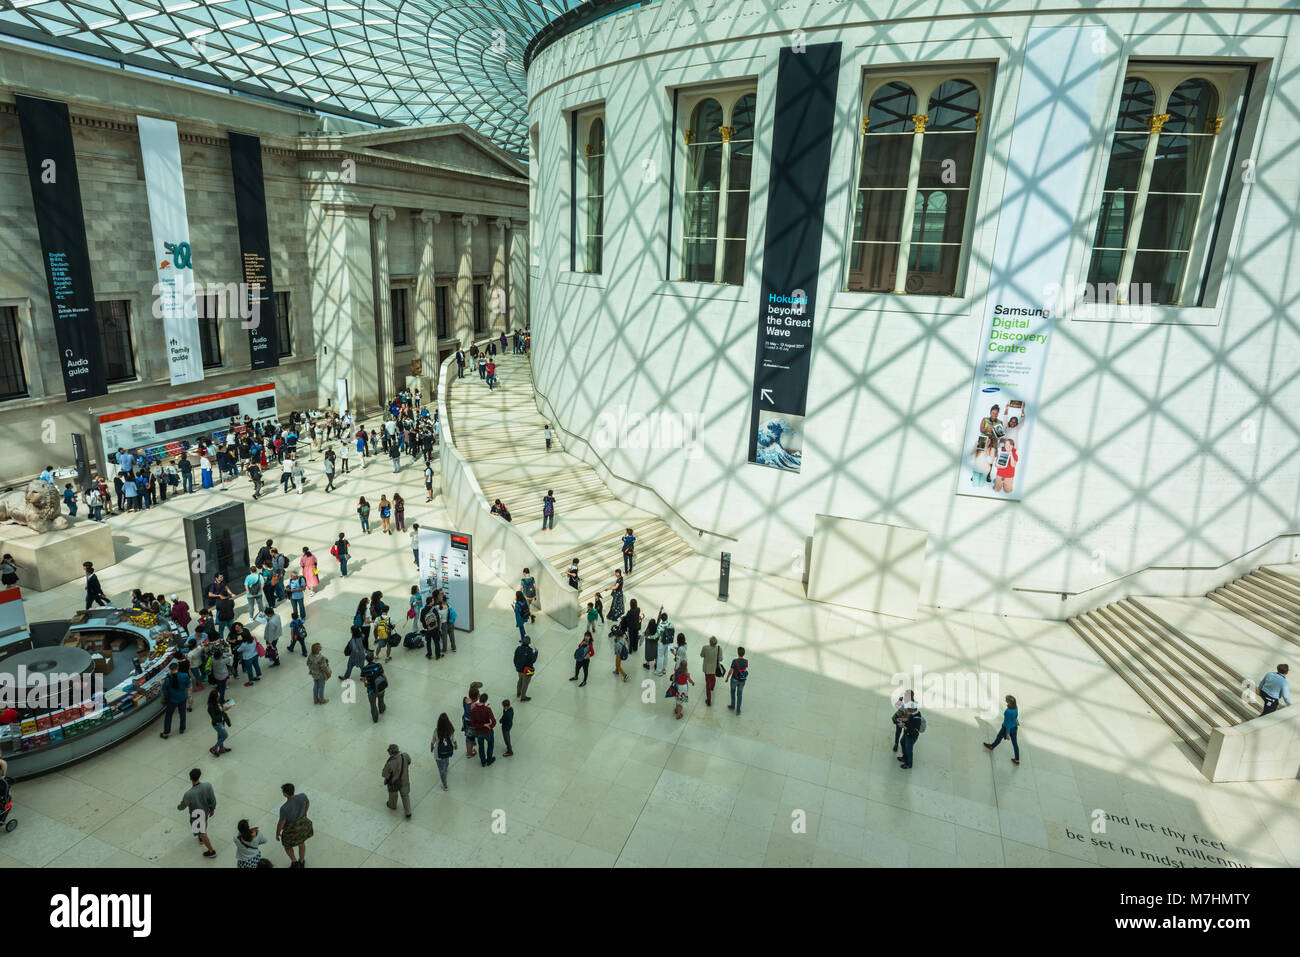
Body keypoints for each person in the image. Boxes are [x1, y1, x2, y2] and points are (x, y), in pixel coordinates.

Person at [177, 767, 218, 858]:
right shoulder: (208, 786)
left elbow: (183, 806)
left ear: (190, 778)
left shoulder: (188, 794)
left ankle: (211, 851)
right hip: (205, 811)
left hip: (196, 816)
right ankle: (200, 837)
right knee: (204, 823)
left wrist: (179, 807)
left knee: (202, 833)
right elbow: (213, 799)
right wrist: (212, 809)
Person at [276, 783, 311, 867]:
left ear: (285, 794)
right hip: (302, 824)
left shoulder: (284, 808)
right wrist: (305, 813)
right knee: (301, 843)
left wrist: (277, 833)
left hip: (291, 829)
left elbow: (281, 823)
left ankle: (294, 862)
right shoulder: (303, 796)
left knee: (287, 846)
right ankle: (301, 861)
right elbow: (308, 804)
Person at [984, 694, 1021, 764]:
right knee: (1015, 743)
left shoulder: (1008, 711)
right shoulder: (1016, 707)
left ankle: (992, 746)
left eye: (1006, 700)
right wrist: (1016, 721)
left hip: (1006, 728)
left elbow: (1007, 723)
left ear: (1009, 702)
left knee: (999, 737)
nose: (1005, 700)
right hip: (1015, 728)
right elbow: (1016, 716)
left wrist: (1007, 733)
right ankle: (1017, 759)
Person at [159, 662, 190, 738]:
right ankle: (182, 728)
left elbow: (164, 690)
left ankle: (166, 732)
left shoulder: (167, 680)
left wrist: (161, 683)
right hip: (182, 697)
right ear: (178, 668)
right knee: (182, 713)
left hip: (172, 700)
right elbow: (188, 685)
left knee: (169, 715)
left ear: (170, 669)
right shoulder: (184, 676)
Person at [382, 744, 412, 818]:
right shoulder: (405, 755)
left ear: (391, 752)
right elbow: (409, 761)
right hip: (405, 779)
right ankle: (408, 812)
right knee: (405, 795)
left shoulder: (390, 763)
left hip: (394, 782)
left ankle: (392, 805)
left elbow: (384, 774)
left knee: (393, 795)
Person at [470, 693, 497, 767]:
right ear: (486, 701)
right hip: (487, 731)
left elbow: (473, 724)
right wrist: (490, 726)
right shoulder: (488, 709)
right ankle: (489, 760)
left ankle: (483, 762)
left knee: (481, 746)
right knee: (490, 745)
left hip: (479, 732)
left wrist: (481, 725)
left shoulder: (473, 710)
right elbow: (494, 721)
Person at [431, 714, 457, 790]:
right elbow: (454, 740)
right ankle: (445, 769)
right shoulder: (450, 730)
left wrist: (432, 747)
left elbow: (433, 740)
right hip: (447, 751)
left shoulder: (436, 731)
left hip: (438, 753)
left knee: (441, 769)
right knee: (446, 761)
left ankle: (445, 784)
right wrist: (455, 745)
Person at [361, 652, 388, 723]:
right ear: (373, 658)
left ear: (366, 660)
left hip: (371, 690)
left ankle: (375, 718)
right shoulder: (378, 665)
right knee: (381, 699)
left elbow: (363, 677)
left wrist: (365, 683)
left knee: (373, 704)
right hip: (380, 687)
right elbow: (383, 675)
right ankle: (382, 709)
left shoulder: (365, 669)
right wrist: (386, 682)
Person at [899, 703, 923, 770]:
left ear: (913, 709)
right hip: (907, 733)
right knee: (902, 742)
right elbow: (909, 721)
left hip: (911, 736)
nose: (907, 710)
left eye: (908, 709)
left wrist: (903, 726)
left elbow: (912, 730)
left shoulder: (917, 719)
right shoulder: (913, 713)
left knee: (909, 750)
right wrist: (903, 720)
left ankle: (909, 764)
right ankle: (905, 757)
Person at [461, 682, 483, 759]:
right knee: (471, 738)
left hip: (465, 721)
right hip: (472, 724)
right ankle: (470, 753)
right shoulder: (475, 706)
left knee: (468, 737)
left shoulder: (465, 699)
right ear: (477, 696)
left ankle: (469, 751)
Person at [513, 635, 538, 701]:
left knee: (520, 681)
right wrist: (536, 653)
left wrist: (516, 666)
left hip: (519, 669)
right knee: (525, 683)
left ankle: (518, 693)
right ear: (529, 643)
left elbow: (515, 658)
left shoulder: (518, 648)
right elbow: (533, 660)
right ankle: (523, 697)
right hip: (526, 670)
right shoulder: (530, 651)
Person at [208, 688, 232, 756]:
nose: (219, 697)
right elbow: (214, 717)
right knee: (225, 735)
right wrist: (222, 710)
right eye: (218, 696)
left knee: (220, 736)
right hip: (217, 723)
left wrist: (225, 706)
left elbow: (220, 708)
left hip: (222, 721)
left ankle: (221, 748)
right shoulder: (210, 706)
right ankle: (214, 748)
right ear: (214, 697)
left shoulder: (217, 702)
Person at [701, 636, 723, 706]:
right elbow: (720, 659)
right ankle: (712, 687)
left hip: (707, 668)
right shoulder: (719, 649)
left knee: (708, 683)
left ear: (709, 642)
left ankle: (709, 699)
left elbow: (701, 655)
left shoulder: (705, 647)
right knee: (713, 678)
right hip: (714, 668)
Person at [726, 646, 748, 715]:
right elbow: (744, 670)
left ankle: (733, 706)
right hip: (742, 680)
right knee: (740, 694)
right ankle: (738, 710)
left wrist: (727, 677)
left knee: (732, 691)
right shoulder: (746, 661)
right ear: (743, 653)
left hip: (734, 679)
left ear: (738, 653)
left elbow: (731, 671)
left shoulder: (735, 661)